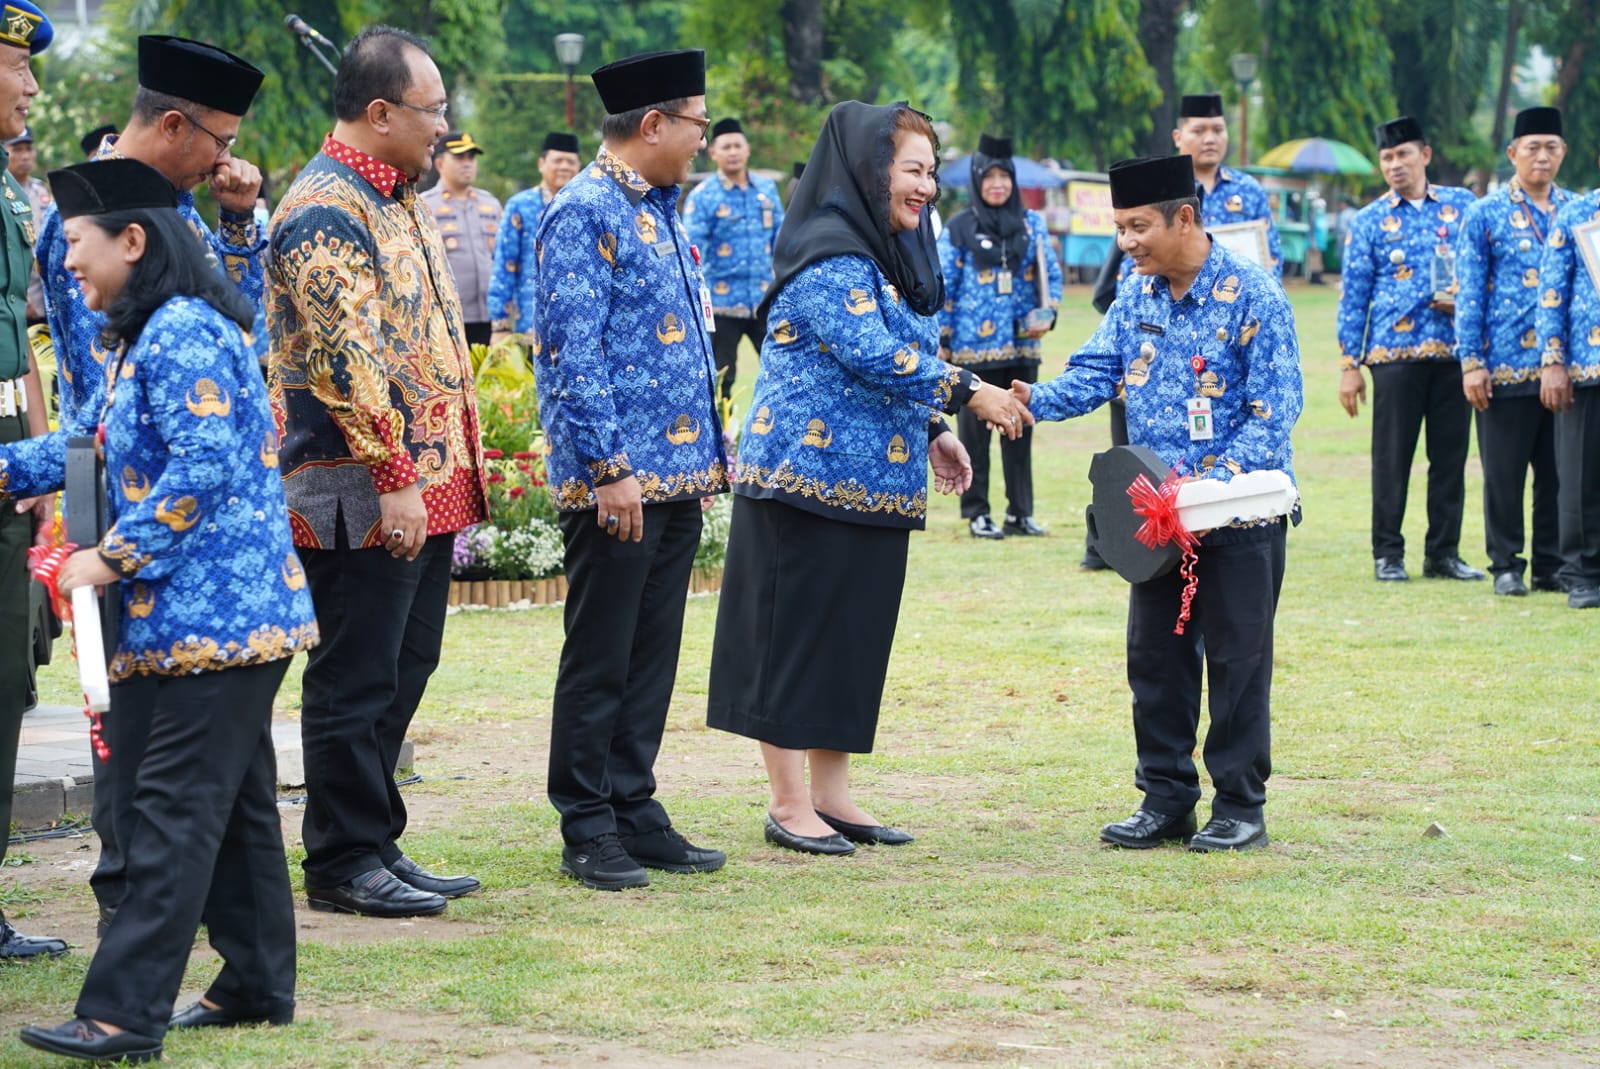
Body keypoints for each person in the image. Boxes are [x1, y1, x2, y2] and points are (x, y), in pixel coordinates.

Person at [9, 156, 315, 1063]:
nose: (66, 265)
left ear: (133, 241)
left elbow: (206, 464)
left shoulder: (182, 329)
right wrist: (6, 470)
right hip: (206, 621)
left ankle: (122, 1010)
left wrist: (108, 557)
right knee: (237, 806)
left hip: (212, 623)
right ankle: (256, 980)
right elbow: (95, 446)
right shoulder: (142, 335)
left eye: (74, 245)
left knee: (167, 811)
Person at [706, 101, 1031, 857]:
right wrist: (967, 391)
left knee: (849, 637)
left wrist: (933, 431)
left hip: (876, 477)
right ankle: (788, 802)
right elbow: (870, 350)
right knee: (791, 636)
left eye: (931, 172)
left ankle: (833, 794)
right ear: (867, 169)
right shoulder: (829, 251)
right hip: (801, 475)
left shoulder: (894, 252)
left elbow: (895, 358)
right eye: (912, 170)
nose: (927, 188)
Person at [35, 31, 269, 940]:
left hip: (192, 502)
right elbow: (107, 400)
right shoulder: (88, 214)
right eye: (218, 137)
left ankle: (232, 950)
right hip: (130, 498)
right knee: (131, 742)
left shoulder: (178, 205)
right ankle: (128, 917)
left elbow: (237, 325)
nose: (227, 157)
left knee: (214, 742)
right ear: (172, 125)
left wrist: (242, 226)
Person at [1017, 154, 1302, 852]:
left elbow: (1274, 413)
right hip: (1157, 521)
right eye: (1119, 228)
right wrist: (1029, 402)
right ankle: (1166, 796)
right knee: (1156, 660)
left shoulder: (1254, 295)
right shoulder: (1136, 296)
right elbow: (1094, 372)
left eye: (1138, 226)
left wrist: (1205, 484)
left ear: (1185, 217)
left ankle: (1240, 806)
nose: (1127, 243)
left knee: (1238, 665)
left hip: (1236, 516)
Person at [268, 25, 487, 918]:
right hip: (362, 485)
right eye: (434, 111)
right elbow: (347, 357)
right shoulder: (326, 207)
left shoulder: (392, 194)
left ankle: (375, 839)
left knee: (405, 662)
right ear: (381, 111)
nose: (444, 127)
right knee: (356, 673)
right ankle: (341, 858)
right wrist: (397, 473)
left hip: (415, 482)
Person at [535, 48, 730, 891]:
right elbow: (572, 351)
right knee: (601, 651)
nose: (702, 139)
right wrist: (610, 466)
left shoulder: (658, 207)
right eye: (696, 124)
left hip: (676, 474)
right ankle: (585, 819)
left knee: (651, 651)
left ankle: (633, 802)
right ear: (653, 125)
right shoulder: (584, 211)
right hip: (616, 480)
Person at [1337, 116, 1483, 583]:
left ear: (1425, 154)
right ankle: (1388, 553)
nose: (1394, 165)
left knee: (1450, 458)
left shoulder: (1463, 207)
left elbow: (1483, 270)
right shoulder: (1370, 220)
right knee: (1392, 458)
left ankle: (1443, 552)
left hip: (1453, 353)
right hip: (1394, 355)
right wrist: (1349, 365)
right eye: (1386, 157)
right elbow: (1354, 295)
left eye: (1402, 154)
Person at [0, 0, 64, 966]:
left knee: (10, 681)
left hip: (10, 461)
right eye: (17, 66)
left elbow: (21, 338)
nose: (32, 86)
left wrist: (45, 453)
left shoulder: (8, 194)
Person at [1453, 107, 1570, 597]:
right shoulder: (1485, 213)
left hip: (1563, 367)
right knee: (1503, 473)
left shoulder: (1578, 210)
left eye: (1551, 148)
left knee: (1558, 473)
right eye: (1532, 147)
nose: (1542, 156)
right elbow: (1470, 291)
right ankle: (1505, 563)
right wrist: (1472, 362)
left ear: (1563, 153)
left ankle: (1549, 563)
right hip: (1501, 366)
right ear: (1512, 154)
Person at [938, 132, 1062, 539]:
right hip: (972, 351)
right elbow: (944, 286)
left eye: (1003, 177)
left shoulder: (1032, 224)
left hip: (1023, 343)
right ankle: (977, 511)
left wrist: (1050, 312)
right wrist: (943, 338)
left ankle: (1020, 512)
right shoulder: (958, 228)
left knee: (1020, 428)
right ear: (977, 182)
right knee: (974, 436)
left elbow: (1052, 277)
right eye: (988, 177)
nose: (997, 184)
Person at [1535, 148, 1600, 610]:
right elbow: (1551, 294)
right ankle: (1582, 573)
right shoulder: (1577, 216)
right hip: (1585, 366)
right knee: (1580, 476)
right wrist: (1553, 361)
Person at [683, 117, 784, 401]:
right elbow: (692, 249)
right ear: (713, 152)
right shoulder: (703, 197)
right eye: (725, 147)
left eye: (738, 145)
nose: (733, 152)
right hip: (721, 305)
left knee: (780, 371)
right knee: (721, 381)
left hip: (763, 300)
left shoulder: (766, 191)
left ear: (747, 149)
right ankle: (723, 440)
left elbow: (781, 240)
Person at [487, 131, 581, 345]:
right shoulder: (520, 205)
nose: (564, 166)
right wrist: (500, 325)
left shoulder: (586, 207)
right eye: (558, 160)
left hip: (579, 327)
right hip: (531, 326)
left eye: (571, 161)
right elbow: (504, 265)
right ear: (541, 163)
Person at [419, 130, 501, 348]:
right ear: (439, 164)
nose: (467, 164)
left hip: (490, 318)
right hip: (447, 317)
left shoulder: (490, 204)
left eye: (471, 157)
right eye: (458, 157)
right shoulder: (425, 206)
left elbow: (503, 260)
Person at [5, 125, 48, 323]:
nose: (25, 156)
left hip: (45, 299)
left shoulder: (41, 191)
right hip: (16, 301)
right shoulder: (3, 192)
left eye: (28, 149)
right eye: (17, 150)